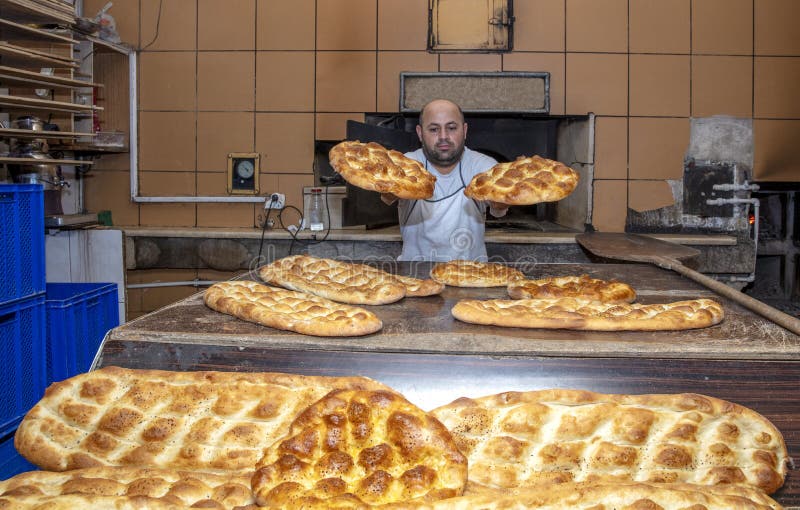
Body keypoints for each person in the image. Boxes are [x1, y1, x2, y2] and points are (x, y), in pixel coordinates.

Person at [380, 98, 508, 261]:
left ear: (465, 130)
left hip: (470, 273)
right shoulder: (407, 165)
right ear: (420, 133)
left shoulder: (484, 167)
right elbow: (385, 197)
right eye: (434, 129)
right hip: (415, 274)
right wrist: (391, 188)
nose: (443, 136)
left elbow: (499, 211)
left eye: (452, 128)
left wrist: (503, 199)